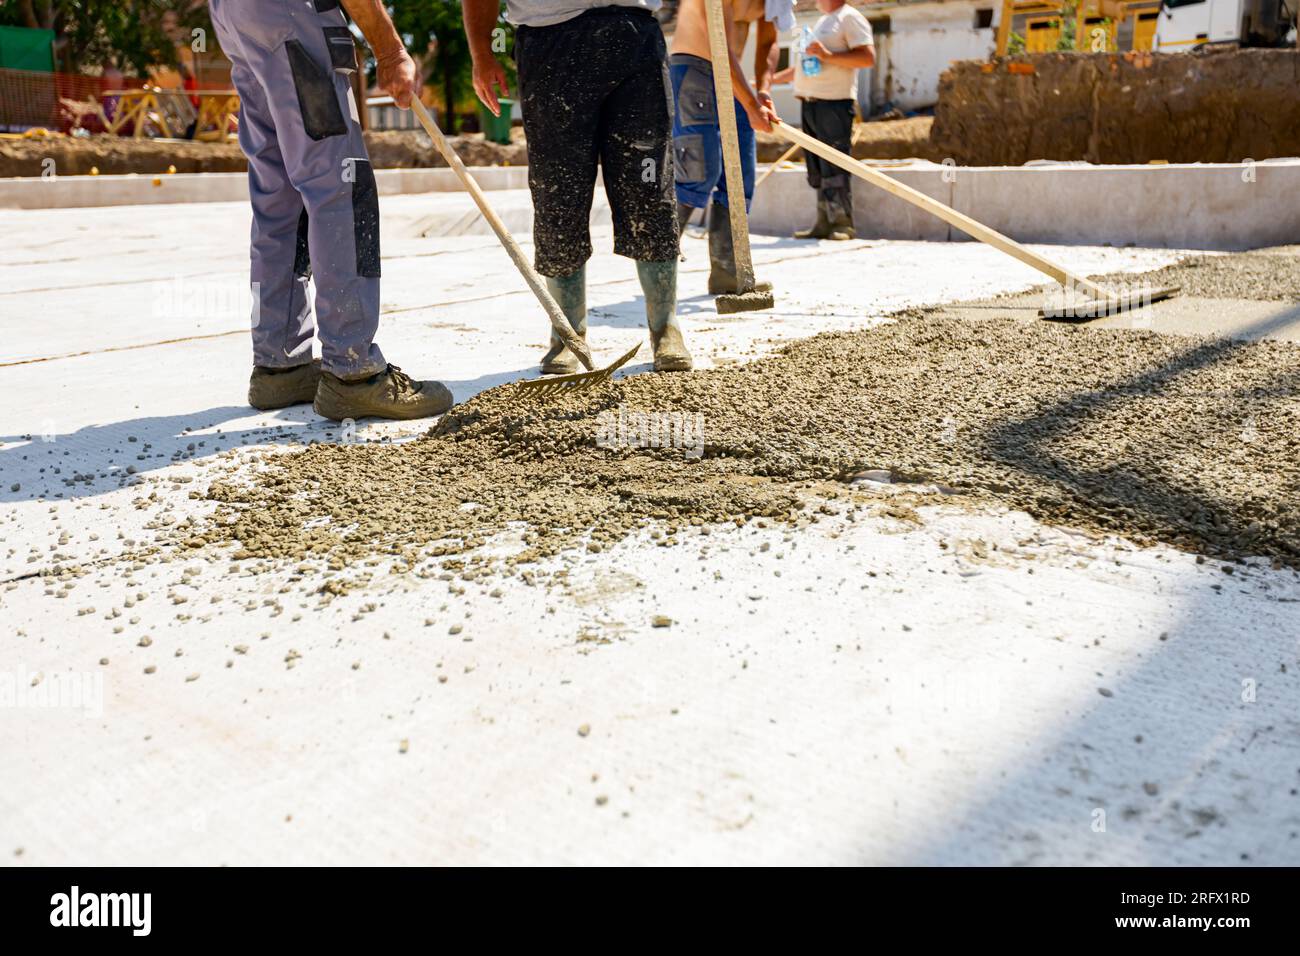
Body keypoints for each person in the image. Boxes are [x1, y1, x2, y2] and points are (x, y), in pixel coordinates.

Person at [208, 0, 453, 420]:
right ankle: (352, 372)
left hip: (235, 17)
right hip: (290, 15)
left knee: (280, 195)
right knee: (340, 189)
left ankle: (279, 365)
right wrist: (391, 51)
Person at [465, 0, 693, 373]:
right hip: (551, 41)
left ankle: (666, 327)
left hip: (635, 39)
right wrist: (485, 53)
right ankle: (568, 334)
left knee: (649, 185)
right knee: (559, 191)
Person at [668, 0, 782, 295]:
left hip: (732, 77)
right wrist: (750, 104)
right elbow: (718, 45)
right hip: (694, 67)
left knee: (739, 176)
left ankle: (726, 271)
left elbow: (769, 40)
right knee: (697, 172)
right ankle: (658, 266)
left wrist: (763, 91)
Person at [774, 0, 873, 240]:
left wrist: (827, 55)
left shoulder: (849, 17)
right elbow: (804, 65)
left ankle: (842, 223)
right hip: (811, 103)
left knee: (835, 163)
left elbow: (866, 58)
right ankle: (824, 222)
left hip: (834, 103)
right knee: (817, 166)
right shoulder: (822, 22)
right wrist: (768, 82)